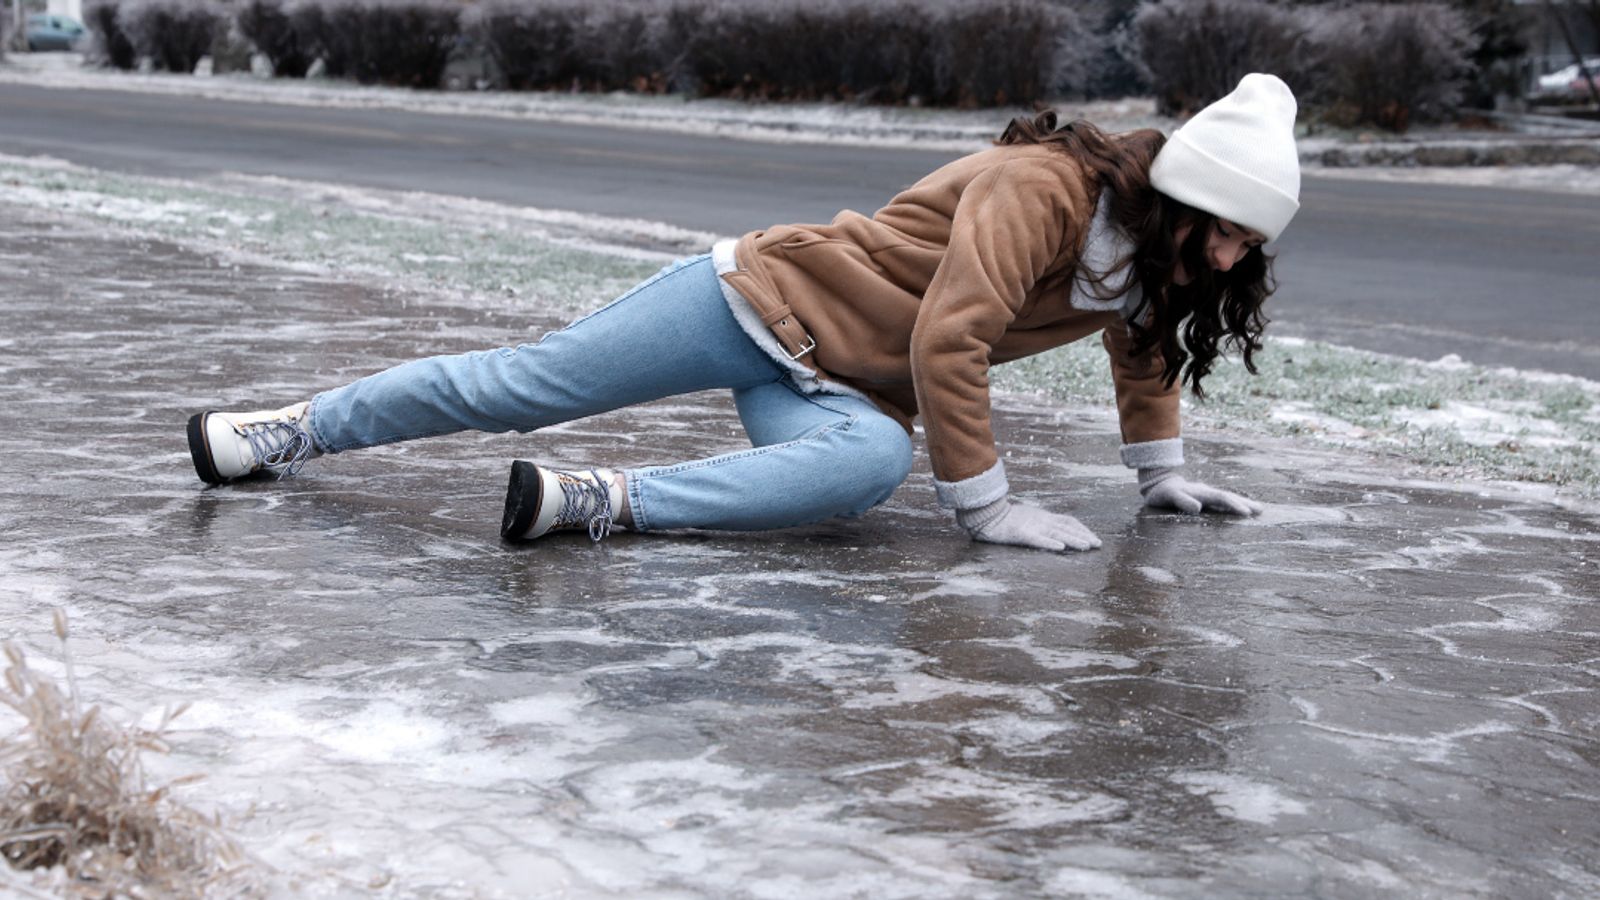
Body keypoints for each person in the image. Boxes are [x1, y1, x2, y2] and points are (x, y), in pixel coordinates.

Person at [186, 73, 1300, 553]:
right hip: (754, 299)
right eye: (1226, 229)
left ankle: (595, 503)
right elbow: (951, 335)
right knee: (522, 388)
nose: (1232, 255)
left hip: (839, 385)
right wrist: (988, 509)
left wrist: (1159, 475)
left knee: (863, 471)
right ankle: (289, 430)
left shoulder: (1156, 259)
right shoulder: (1044, 190)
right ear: (1176, 197)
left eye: (1251, 242)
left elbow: (1144, 342)